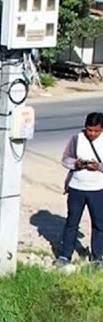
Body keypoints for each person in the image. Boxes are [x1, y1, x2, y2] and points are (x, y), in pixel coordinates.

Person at [57, 112, 103, 266]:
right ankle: (65, 255)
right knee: (72, 222)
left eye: (96, 131)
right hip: (76, 188)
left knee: (99, 224)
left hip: (98, 189)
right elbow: (65, 159)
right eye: (89, 130)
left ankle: (97, 257)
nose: (92, 134)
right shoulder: (77, 139)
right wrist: (75, 164)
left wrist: (99, 167)